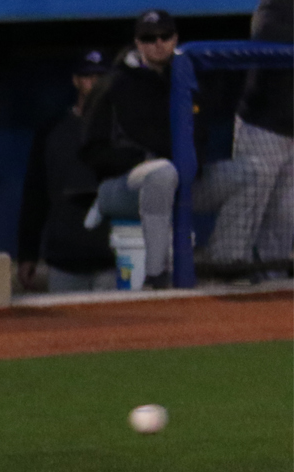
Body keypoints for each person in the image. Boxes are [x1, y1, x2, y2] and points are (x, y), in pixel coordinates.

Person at [80, 9, 258, 288]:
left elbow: (200, 135)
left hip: (180, 182)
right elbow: (91, 152)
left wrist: (191, 165)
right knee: (161, 173)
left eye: (164, 36)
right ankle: (155, 274)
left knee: (249, 174)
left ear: (175, 39)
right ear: (138, 43)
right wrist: (141, 159)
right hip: (121, 187)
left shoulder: (186, 78)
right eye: (149, 38)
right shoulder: (114, 84)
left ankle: (227, 262)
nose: (158, 43)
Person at [17, 50, 121, 292]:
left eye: (100, 76)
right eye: (88, 76)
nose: (94, 82)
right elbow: (35, 195)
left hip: (113, 259)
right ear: (76, 80)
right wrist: (27, 254)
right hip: (65, 258)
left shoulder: (124, 129)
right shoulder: (53, 130)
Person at [223, 0, 293, 277]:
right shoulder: (275, 6)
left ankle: (272, 287)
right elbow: (270, 36)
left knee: (285, 219)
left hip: (291, 133)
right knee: (248, 210)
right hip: (262, 127)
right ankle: (231, 276)